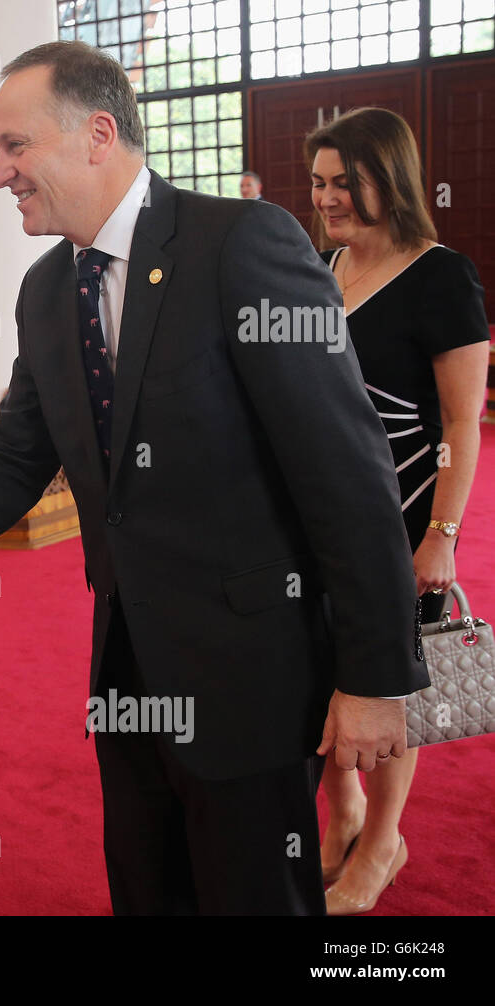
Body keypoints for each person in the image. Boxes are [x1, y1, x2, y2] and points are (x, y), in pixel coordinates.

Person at [0, 40, 428, 915]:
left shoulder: (243, 244)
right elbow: (15, 458)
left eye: (14, 146)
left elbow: (348, 475)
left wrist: (377, 677)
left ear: (96, 134)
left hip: (254, 682)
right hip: (129, 681)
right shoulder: (48, 291)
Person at [308, 107, 488, 915]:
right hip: (310, 513)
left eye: (347, 181)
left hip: (403, 512)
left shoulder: (443, 276)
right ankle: (341, 803)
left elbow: (461, 421)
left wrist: (442, 536)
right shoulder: (318, 265)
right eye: (318, 182)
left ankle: (382, 842)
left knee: (384, 683)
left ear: (394, 178)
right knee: (315, 667)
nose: (329, 197)